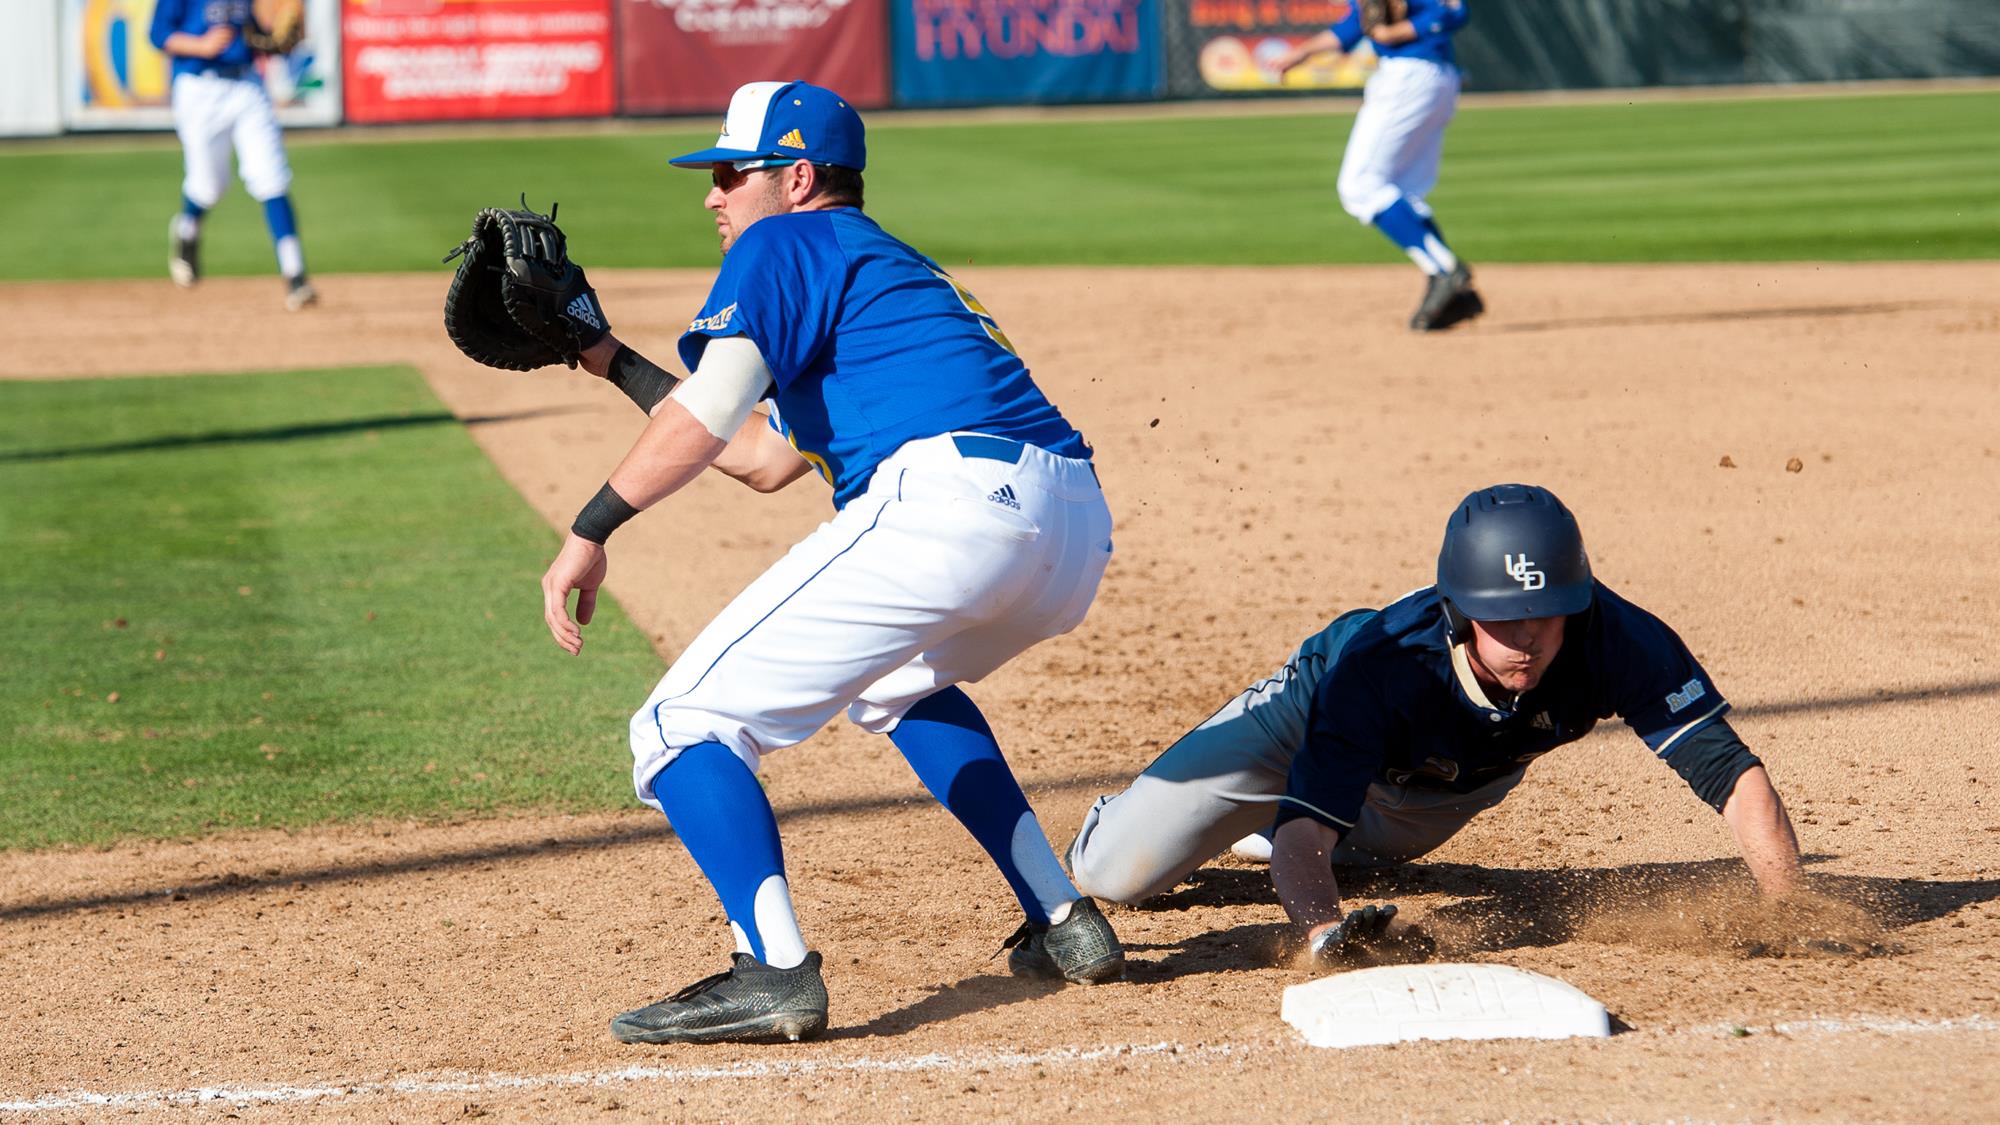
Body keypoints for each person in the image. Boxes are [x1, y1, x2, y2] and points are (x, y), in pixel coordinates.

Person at [531, 81, 1124, 1045]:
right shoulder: (881, 265)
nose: (713, 196)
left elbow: (709, 412)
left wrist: (592, 526)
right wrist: (602, 353)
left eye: (731, 173)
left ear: (796, 177)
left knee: (680, 723)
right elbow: (763, 458)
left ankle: (772, 970)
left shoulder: (783, 242)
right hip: (1067, 527)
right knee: (897, 680)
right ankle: (1065, 918)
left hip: (952, 507)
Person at [1067, 484, 1804, 964]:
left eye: (1546, 615)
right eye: (1504, 620)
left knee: (1356, 855)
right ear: (1458, 611)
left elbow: (1732, 774)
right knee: (1118, 875)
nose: (1529, 638)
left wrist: (1790, 907)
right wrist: (1327, 939)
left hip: (1443, 784)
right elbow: (1305, 837)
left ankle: (1265, 824)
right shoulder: (1382, 666)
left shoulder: (1617, 637)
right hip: (1301, 723)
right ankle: (1148, 816)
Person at [1273, 0, 1480, 332]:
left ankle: (1446, 270)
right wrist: (1304, 52)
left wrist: (1401, 30)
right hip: (1434, 77)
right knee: (1401, 192)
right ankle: (1449, 289)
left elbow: (1453, 11)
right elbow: (1355, 25)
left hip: (1409, 76)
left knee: (1360, 186)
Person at [149, 0, 317, 310]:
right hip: (199, 89)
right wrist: (201, 45)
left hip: (246, 85)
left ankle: (296, 276)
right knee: (209, 186)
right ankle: (187, 228)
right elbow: (159, 35)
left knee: (271, 177)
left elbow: (252, 35)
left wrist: (275, 41)